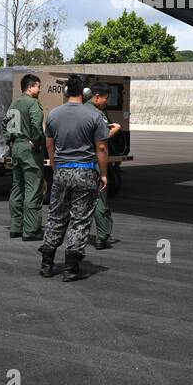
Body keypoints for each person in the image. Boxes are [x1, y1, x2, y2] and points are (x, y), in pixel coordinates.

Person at [39, 75, 109, 282]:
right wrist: (104, 173)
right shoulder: (94, 115)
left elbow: (49, 145)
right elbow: (102, 147)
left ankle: (47, 263)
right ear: (84, 92)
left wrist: (55, 164)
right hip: (85, 171)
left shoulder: (53, 114)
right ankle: (71, 267)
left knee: (56, 216)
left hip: (62, 171)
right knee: (80, 219)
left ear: (66, 91)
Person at [5, 73, 46, 240]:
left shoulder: (13, 103)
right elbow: (37, 125)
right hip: (29, 149)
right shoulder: (33, 103)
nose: (39, 90)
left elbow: (5, 126)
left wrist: (11, 143)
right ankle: (31, 230)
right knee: (33, 188)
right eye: (38, 87)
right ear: (30, 87)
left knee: (17, 187)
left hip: (16, 147)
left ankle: (16, 227)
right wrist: (37, 142)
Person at [88, 83, 122, 250]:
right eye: (105, 99)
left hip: (72, 165)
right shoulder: (97, 114)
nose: (106, 103)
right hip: (92, 163)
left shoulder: (70, 111)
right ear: (96, 97)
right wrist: (113, 132)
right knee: (99, 201)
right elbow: (101, 143)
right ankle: (102, 236)